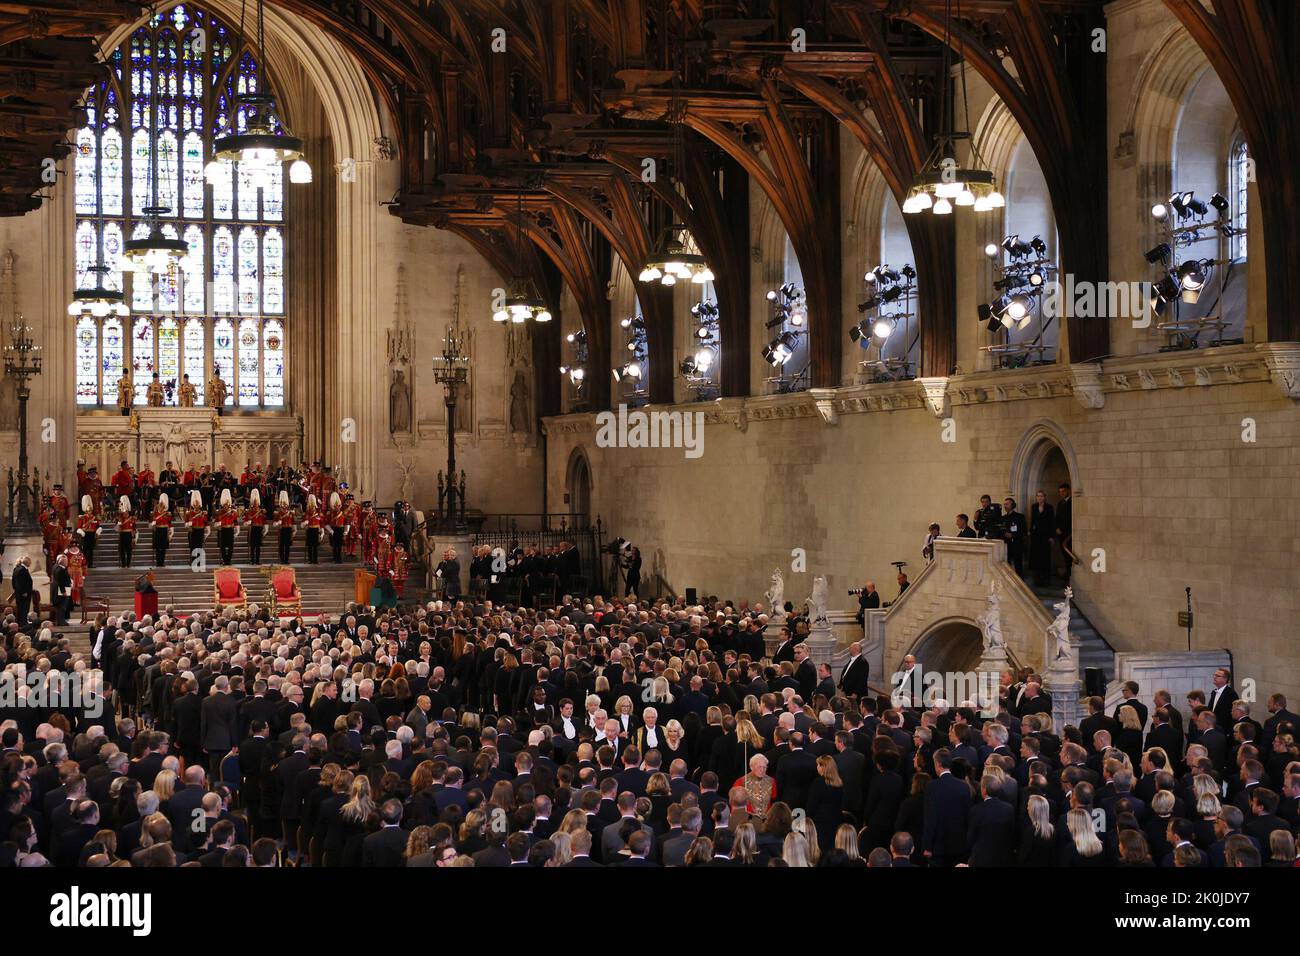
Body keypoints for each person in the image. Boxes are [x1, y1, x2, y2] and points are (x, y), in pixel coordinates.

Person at [1028, 490, 1055, 587]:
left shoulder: (1049, 507)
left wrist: (1052, 536)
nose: (1039, 498)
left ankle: (1046, 580)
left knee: (1045, 558)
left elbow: (1052, 522)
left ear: (1045, 497)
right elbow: (1032, 520)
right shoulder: (1034, 506)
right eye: (1038, 496)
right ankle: (1037, 580)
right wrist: (1030, 532)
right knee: (1036, 558)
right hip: (1036, 536)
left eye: (1041, 496)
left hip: (1046, 536)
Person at [1000, 497, 1026, 577]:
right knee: (1006, 564)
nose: (1005, 506)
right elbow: (1000, 530)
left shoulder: (1020, 517)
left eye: (1007, 504)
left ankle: (1020, 583)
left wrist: (1012, 535)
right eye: (1004, 504)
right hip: (1006, 545)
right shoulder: (1003, 518)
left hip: (1017, 544)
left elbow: (1024, 531)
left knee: (1018, 565)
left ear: (1013, 505)